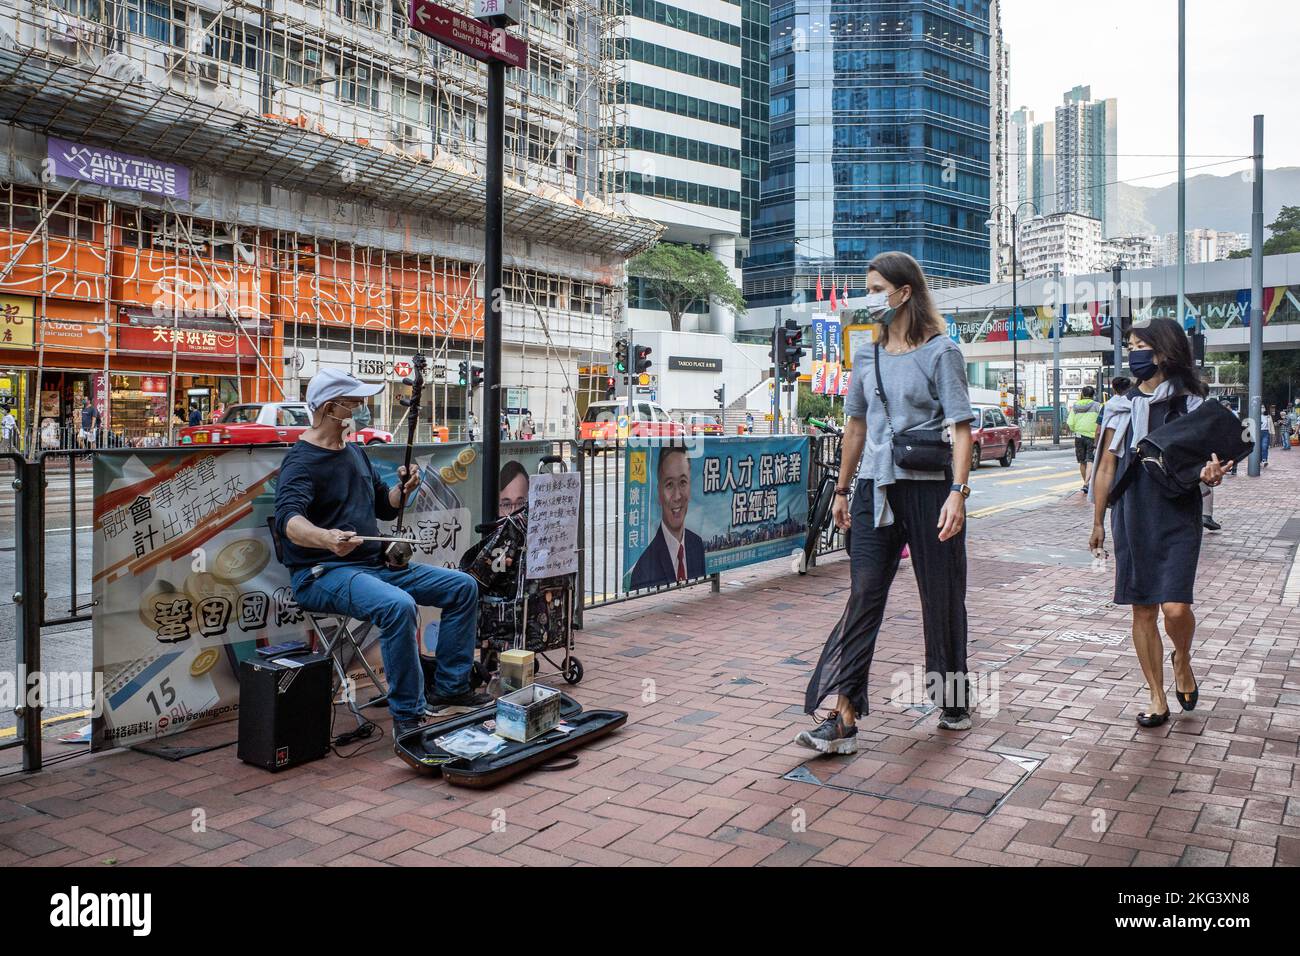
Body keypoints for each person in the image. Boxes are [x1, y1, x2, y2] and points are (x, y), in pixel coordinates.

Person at [796, 250, 976, 755]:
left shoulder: (942, 352)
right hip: (875, 489)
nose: (869, 298)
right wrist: (841, 489)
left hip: (929, 489)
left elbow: (961, 430)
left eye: (877, 288)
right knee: (863, 596)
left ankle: (953, 698)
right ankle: (844, 716)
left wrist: (958, 494)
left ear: (904, 293)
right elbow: (855, 426)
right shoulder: (867, 355)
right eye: (867, 288)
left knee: (940, 595)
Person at [274, 368, 487, 746]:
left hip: (372, 567)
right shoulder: (301, 461)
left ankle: (451, 689)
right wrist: (326, 538)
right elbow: (289, 521)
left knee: (463, 586)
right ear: (329, 408)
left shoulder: (354, 451)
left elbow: (385, 507)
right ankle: (408, 716)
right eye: (354, 403)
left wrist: (404, 490)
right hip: (323, 572)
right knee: (398, 606)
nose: (361, 409)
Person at [1088, 318, 1230, 728]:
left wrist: (1212, 473)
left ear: (1164, 354)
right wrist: (1097, 520)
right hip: (1131, 511)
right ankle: (1156, 695)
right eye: (1129, 345)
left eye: (1138, 346)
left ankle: (1182, 659)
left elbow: (1210, 461)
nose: (1132, 354)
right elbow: (1106, 468)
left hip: (1177, 511)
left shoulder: (1192, 406)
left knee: (1176, 606)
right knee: (1143, 609)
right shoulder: (1118, 407)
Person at [629, 444, 706, 590]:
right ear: (659, 492)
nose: (677, 496)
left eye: (683, 482)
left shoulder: (696, 544)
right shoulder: (644, 566)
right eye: (669, 485)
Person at [1067, 386, 1102, 493]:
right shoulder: (1097, 406)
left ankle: (1086, 484)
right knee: (1090, 460)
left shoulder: (1075, 406)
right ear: (1093, 395)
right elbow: (1101, 421)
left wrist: (1076, 430)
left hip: (1079, 436)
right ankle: (1087, 483)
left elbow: (1070, 423)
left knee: (1082, 462)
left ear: (1082, 394)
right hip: (1092, 436)